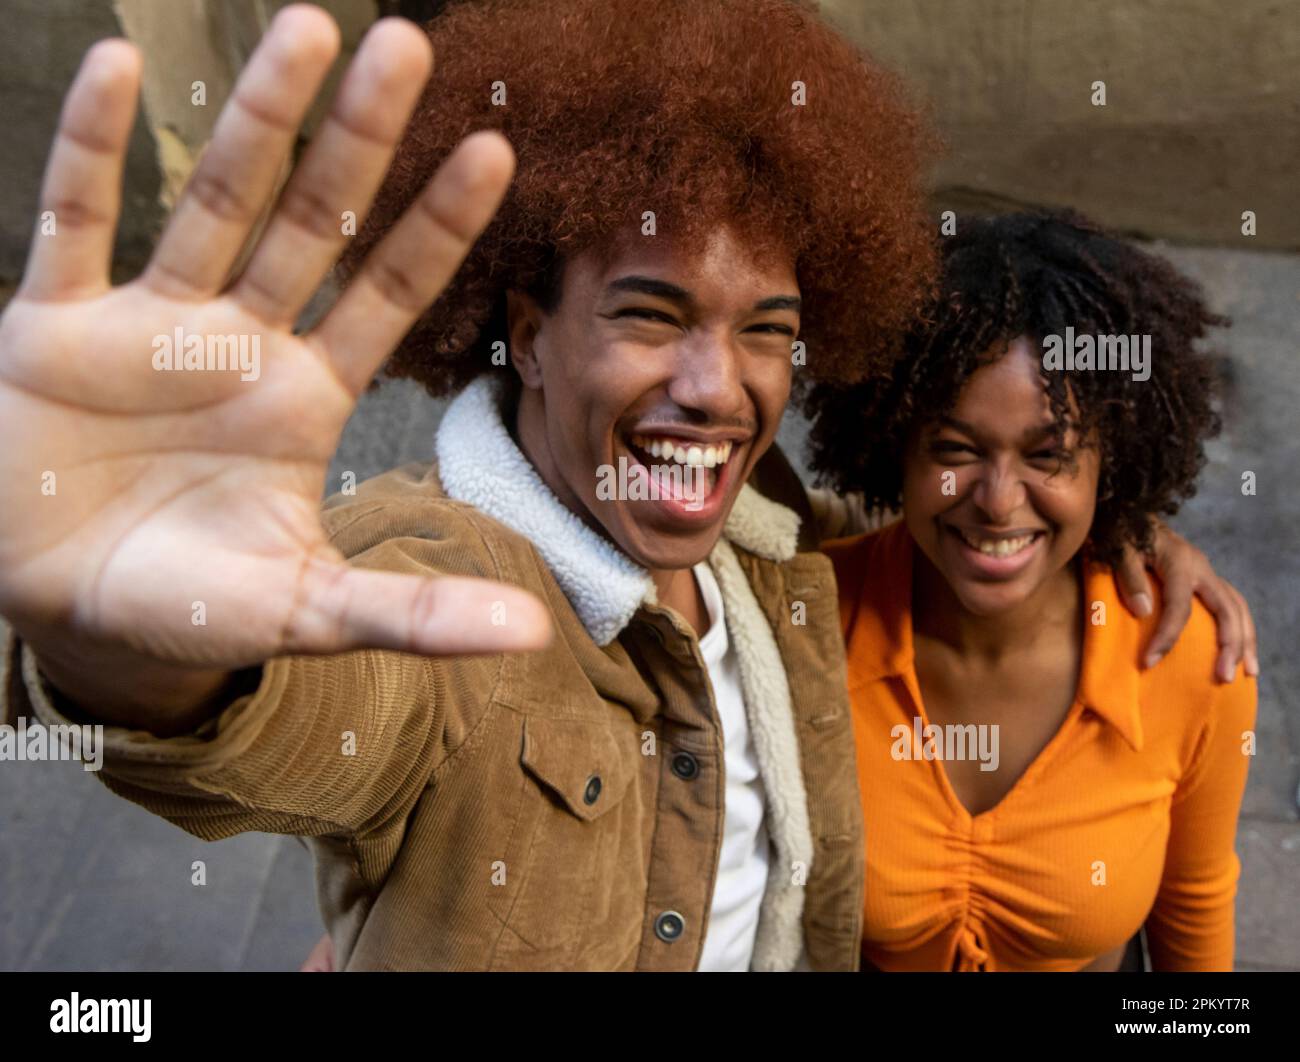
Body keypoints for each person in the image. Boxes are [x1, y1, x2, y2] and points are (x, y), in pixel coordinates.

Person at [0, 1, 1252, 972]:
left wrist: (1123, 535)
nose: (716, 387)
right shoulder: (427, 583)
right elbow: (304, 714)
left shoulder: (781, 553)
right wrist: (142, 653)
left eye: (766, 327)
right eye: (651, 314)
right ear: (529, 332)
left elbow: (966, 510)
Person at [806, 212, 1257, 971]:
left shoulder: (1190, 654)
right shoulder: (808, 623)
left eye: (1049, 455)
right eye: (955, 449)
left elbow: (1196, 907)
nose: (997, 501)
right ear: (893, 447)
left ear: (1110, 466)